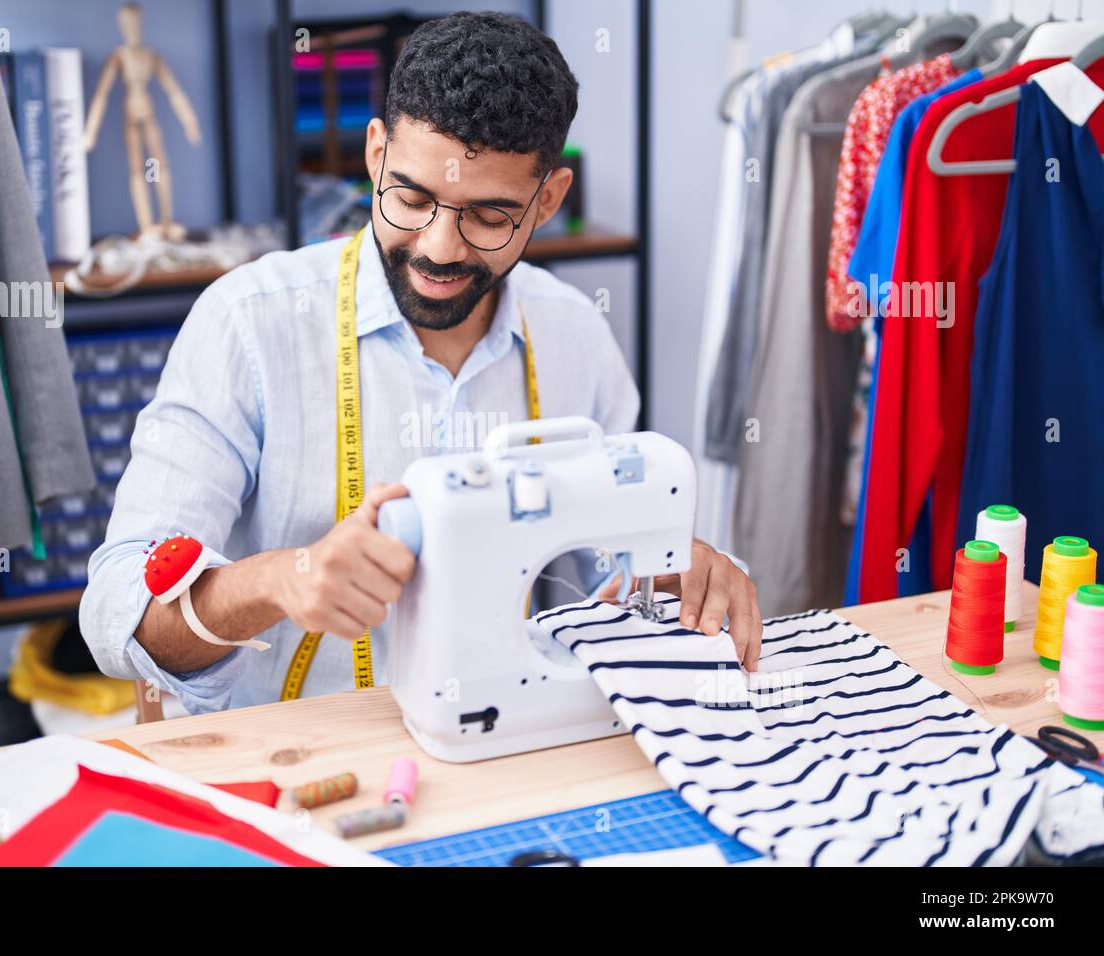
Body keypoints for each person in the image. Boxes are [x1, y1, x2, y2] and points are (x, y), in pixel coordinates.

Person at [80, 11, 762, 714]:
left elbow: (617, 561)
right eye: (410, 198)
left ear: (548, 200)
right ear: (375, 154)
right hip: (292, 762)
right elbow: (116, 611)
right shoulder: (249, 322)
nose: (439, 247)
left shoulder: (574, 333)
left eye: (491, 216)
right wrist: (281, 580)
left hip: (501, 741)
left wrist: (682, 568)